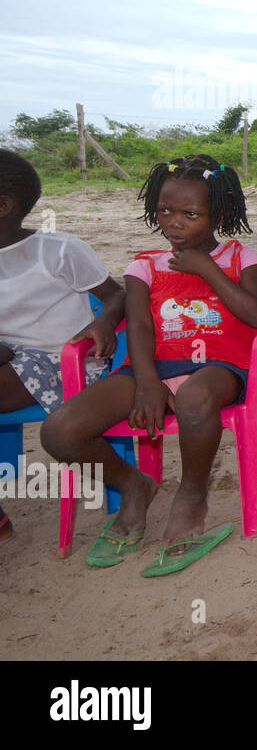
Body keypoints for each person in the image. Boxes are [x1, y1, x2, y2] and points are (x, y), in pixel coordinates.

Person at [42, 155, 257, 574]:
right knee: (60, 431)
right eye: (165, 210)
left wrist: (207, 269)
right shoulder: (144, 264)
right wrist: (146, 381)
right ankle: (133, 486)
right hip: (154, 366)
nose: (174, 222)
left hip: (218, 366)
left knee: (196, 398)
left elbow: (256, 315)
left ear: (217, 213)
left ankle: (192, 494)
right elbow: (141, 325)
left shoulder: (240, 256)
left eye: (190, 214)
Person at [0, 149, 124, 547]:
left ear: (4, 206)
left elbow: (115, 295)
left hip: (61, 359)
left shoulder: (56, 250)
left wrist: (102, 321)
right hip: (10, 355)